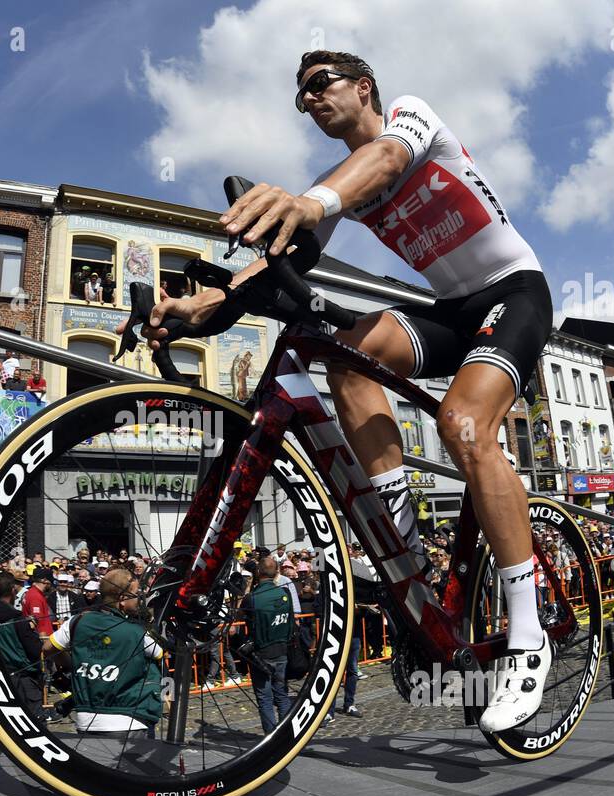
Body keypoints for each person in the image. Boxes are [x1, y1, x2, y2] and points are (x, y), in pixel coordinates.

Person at [121, 50, 554, 732]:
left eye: (320, 85)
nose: (310, 101)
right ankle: (399, 534)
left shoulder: (409, 118)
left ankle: (529, 637)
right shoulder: (335, 182)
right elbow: (274, 267)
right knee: (347, 355)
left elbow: (382, 162)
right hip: (449, 307)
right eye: (300, 97)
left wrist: (309, 202)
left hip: (515, 292)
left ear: (364, 86)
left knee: (464, 425)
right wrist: (197, 308)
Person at [44, 568, 163, 737]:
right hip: (129, 719)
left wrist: (73, 666)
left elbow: (48, 647)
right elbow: (160, 654)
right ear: (122, 599)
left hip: (85, 717)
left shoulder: (77, 621)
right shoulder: (137, 633)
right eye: (136, 593)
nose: (139, 598)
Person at [240, 557, 296, 733]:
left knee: (264, 697)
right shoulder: (284, 594)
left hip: (261, 653)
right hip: (281, 651)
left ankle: (271, 736)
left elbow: (239, 616)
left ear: (258, 572)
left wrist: (249, 588)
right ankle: (285, 734)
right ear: (277, 572)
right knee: (281, 694)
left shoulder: (253, 597)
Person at [0, 573, 45, 724]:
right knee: (34, 722)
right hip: (22, 677)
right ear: (13, 590)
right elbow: (35, 649)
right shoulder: (17, 618)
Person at [21, 566, 54, 639]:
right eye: (50, 582)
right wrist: (44, 640)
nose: (51, 585)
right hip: (42, 638)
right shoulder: (35, 597)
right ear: (45, 580)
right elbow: (38, 620)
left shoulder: (34, 593)